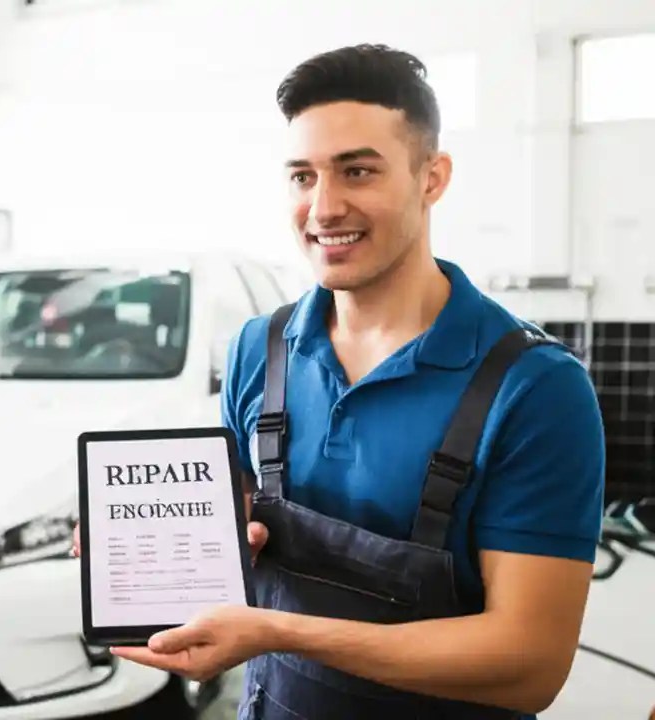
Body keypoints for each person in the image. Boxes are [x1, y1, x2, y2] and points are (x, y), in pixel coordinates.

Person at [78, 44, 605, 719]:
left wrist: (276, 630)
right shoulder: (259, 349)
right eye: (302, 176)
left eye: (357, 171)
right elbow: (235, 515)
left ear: (432, 177)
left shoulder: (533, 389)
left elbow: (529, 663)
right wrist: (147, 539)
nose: (324, 208)